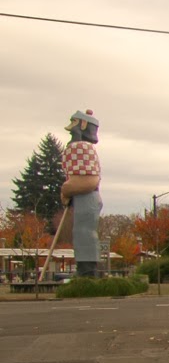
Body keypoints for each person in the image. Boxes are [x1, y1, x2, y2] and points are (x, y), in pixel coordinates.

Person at [61, 109, 102, 277]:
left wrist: (66, 191)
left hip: (87, 198)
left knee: (84, 232)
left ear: (83, 125)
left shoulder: (81, 147)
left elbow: (88, 181)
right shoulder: (78, 147)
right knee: (81, 232)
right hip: (85, 199)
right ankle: (86, 271)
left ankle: (88, 272)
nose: (71, 130)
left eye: (74, 125)